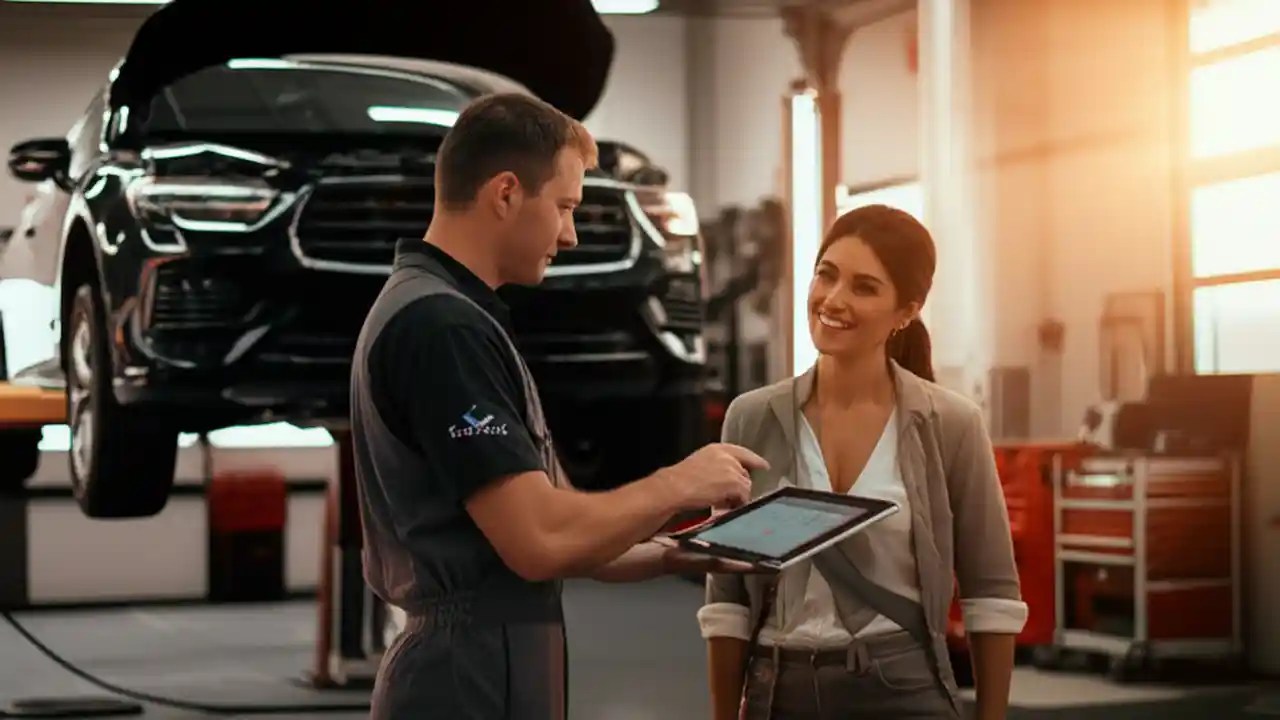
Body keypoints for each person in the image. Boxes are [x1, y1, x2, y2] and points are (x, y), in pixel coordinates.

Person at [349, 92, 767, 720]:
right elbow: (539, 540)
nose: (569, 234)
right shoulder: (440, 329)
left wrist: (684, 550)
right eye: (565, 207)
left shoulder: (456, 317)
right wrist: (680, 481)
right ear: (507, 193)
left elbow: (566, 525)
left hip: (490, 662)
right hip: (465, 676)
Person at [699, 205, 1026, 720]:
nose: (833, 300)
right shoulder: (752, 417)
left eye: (865, 287)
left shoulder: (950, 424)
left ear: (906, 311)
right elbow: (727, 600)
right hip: (777, 692)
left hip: (901, 690)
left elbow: (992, 592)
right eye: (826, 275)